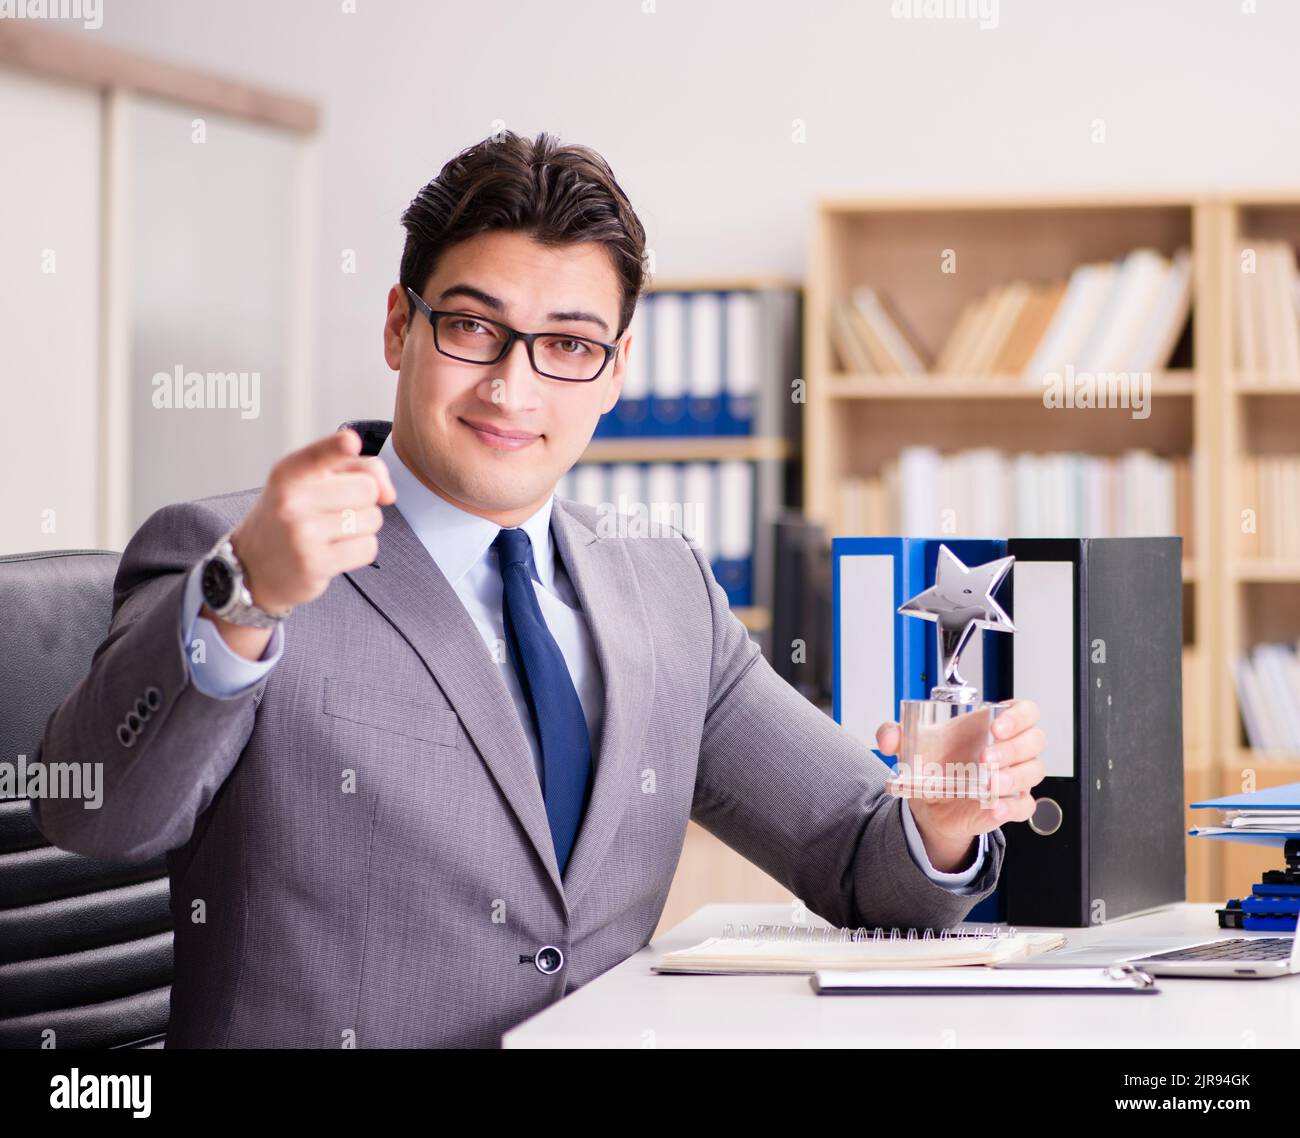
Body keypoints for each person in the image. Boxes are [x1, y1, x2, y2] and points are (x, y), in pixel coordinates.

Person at [33, 130, 1045, 1048]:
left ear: (615, 370)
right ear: (399, 326)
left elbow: (862, 861)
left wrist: (940, 817)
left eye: (567, 345)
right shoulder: (235, 552)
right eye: (473, 328)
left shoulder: (666, 586)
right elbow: (96, 817)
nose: (511, 388)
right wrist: (243, 596)